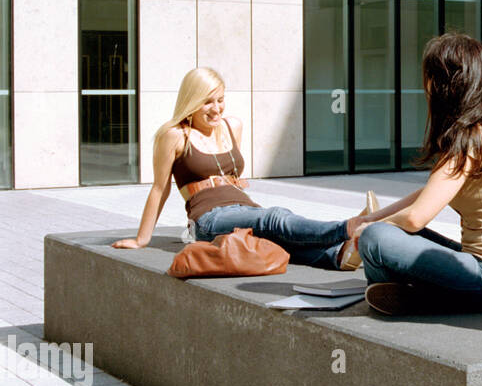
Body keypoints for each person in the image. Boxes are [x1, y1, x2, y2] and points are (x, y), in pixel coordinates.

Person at [352, 33, 482, 316]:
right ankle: (421, 296)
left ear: (441, 84)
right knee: (380, 230)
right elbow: (427, 196)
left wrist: (370, 228)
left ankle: (414, 295)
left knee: (376, 239)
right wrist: (371, 218)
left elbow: (415, 217)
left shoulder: (472, 140)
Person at [112, 67, 370, 266]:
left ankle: (338, 257)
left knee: (280, 240)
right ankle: (348, 228)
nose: (216, 109)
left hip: (245, 208)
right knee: (275, 218)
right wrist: (141, 239)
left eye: (220, 100)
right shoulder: (175, 136)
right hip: (209, 219)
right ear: (191, 102)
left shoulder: (230, 126)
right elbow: (160, 189)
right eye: (207, 102)